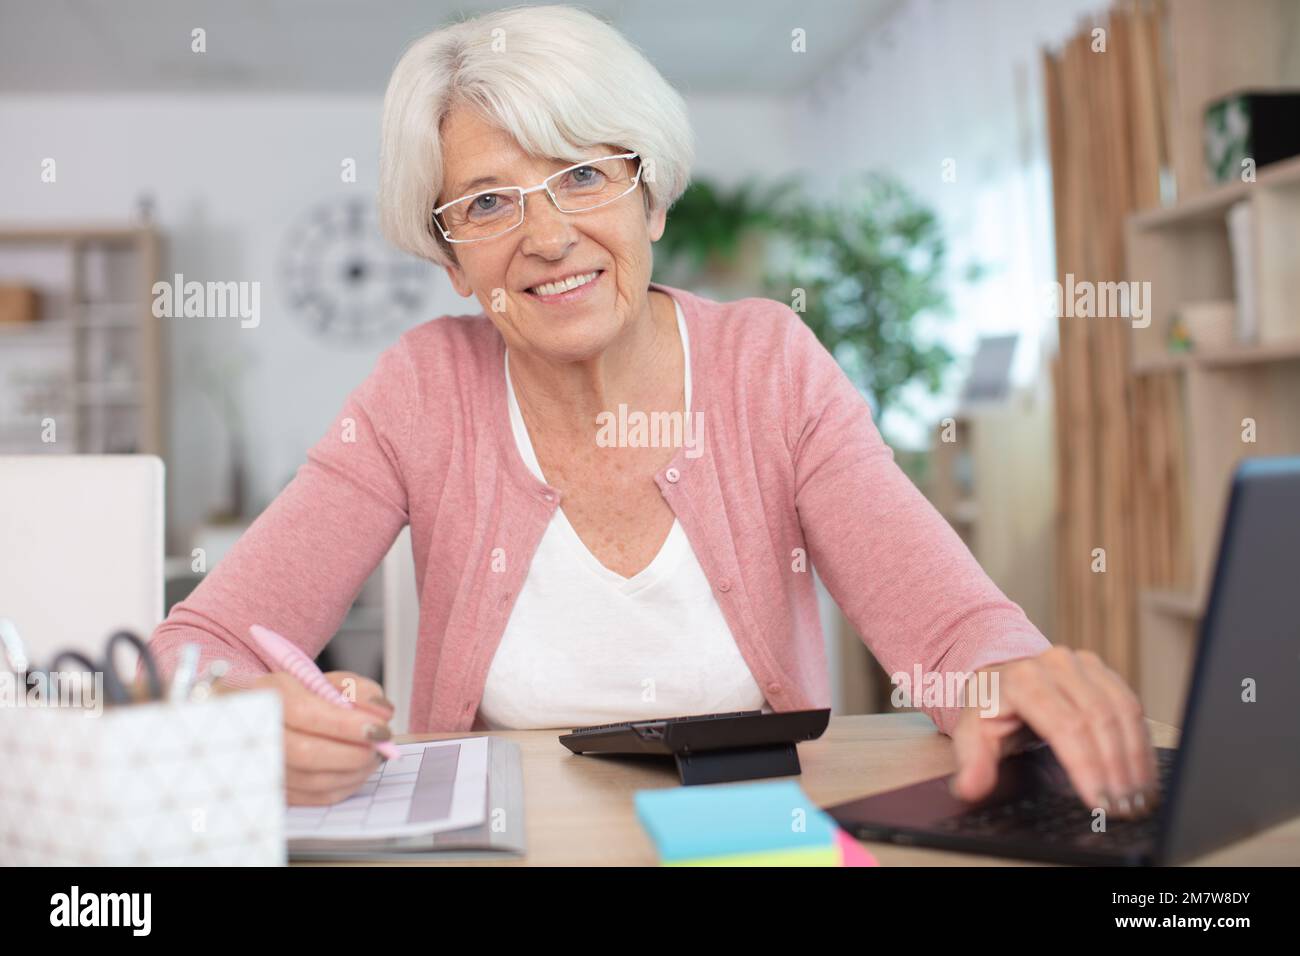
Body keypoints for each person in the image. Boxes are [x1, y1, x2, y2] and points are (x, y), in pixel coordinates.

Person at [148, 4, 1156, 813]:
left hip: (755, 834)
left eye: (584, 175)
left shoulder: (767, 362)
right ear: (452, 260)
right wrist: (237, 719)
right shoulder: (422, 388)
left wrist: (1008, 679)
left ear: (652, 199)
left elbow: (947, 629)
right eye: (488, 202)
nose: (546, 237)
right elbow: (193, 646)